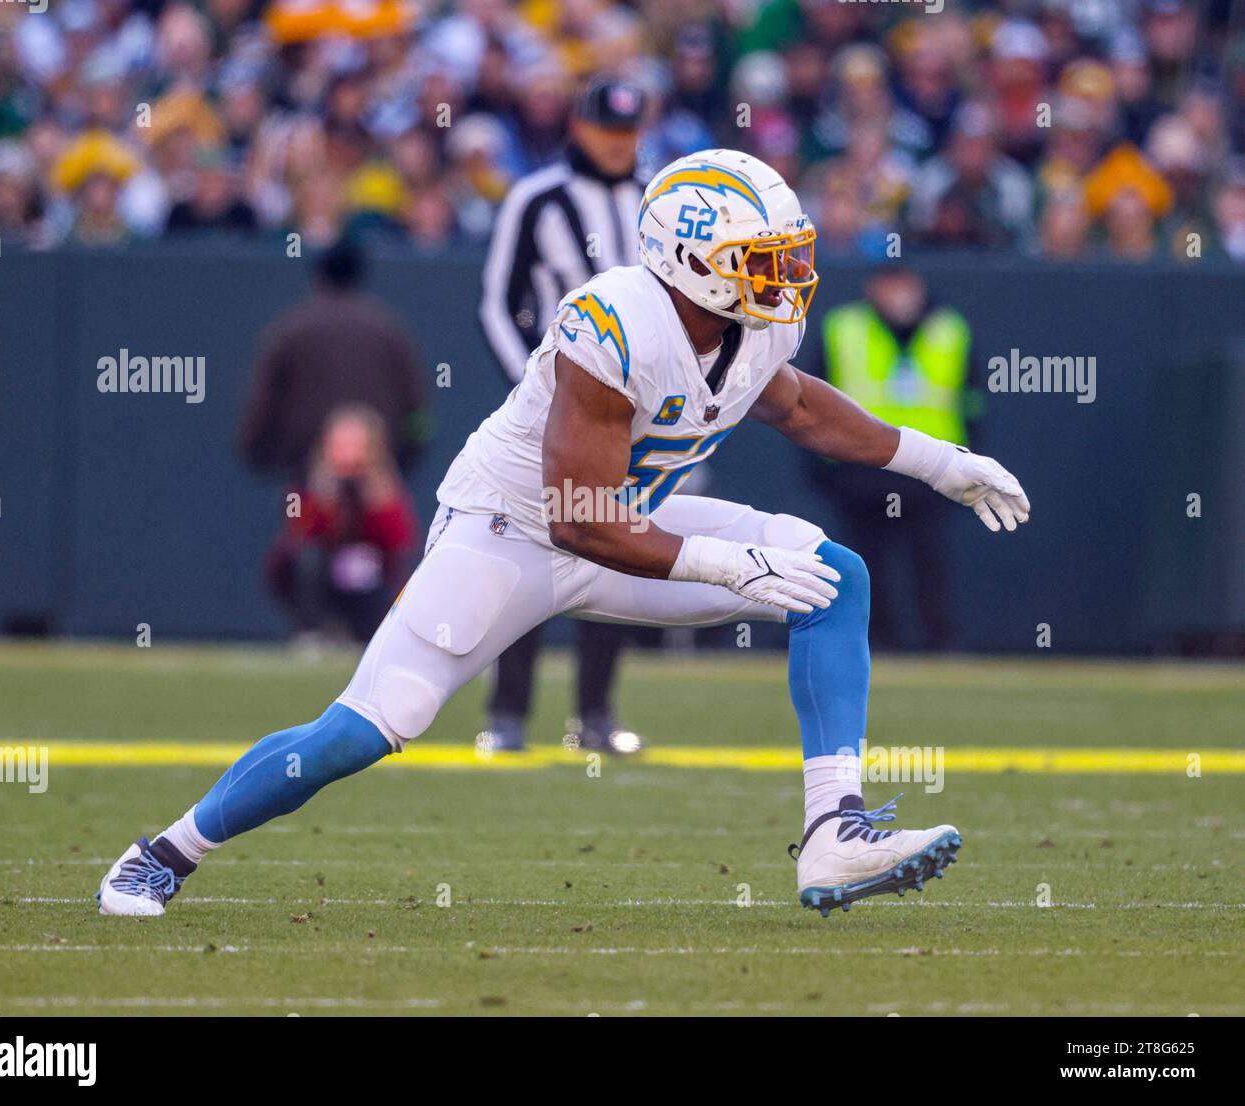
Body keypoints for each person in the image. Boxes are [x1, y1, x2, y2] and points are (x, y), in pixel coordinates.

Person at [97, 149, 1030, 921]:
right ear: (694, 260)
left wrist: (934, 460)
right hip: (510, 534)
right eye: (763, 256)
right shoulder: (614, 321)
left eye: (787, 253)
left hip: (631, 518)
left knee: (834, 576)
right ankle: (163, 852)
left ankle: (834, 834)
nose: (786, 274)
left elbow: (795, 407)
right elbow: (580, 518)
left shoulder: (752, 328)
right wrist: (721, 563)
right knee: (362, 730)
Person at [478, 75, 649, 753]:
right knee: (527, 557)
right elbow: (498, 302)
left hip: (634, 417)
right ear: (579, 128)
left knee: (614, 559)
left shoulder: (657, 202)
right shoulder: (537, 199)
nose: (618, 146)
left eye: (628, 133)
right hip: (551, 409)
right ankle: (507, 714)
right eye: (608, 131)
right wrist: (537, 386)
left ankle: (595, 716)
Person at [813, 266, 982, 650]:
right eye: (890, 284)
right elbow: (811, 402)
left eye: (905, 283)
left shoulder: (950, 329)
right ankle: (876, 642)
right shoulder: (843, 326)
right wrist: (827, 470)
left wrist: (969, 464)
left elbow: (972, 404)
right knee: (864, 564)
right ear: (872, 287)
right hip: (863, 469)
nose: (898, 294)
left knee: (931, 561)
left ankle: (939, 644)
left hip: (932, 472)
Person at [240, 237, 428, 480]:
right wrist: (405, 457)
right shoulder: (390, 331)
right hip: (376, 475)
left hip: (306, 472)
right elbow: (417, 411)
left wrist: (258, 451)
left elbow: (264, 404)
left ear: (318, 276)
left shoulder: (290, 330)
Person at [265, 405, 418, 644]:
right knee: (309, 559)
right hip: (322, 578)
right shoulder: (308, 486)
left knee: (365, 567)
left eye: (356, 446)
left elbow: (398, 545)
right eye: (340, 445)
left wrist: (373, 499)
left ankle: (367, 632)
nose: (348, 454)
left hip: (366, 587)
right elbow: (295, 539)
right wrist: (326, 500)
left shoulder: (385, 489)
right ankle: (312, 631)